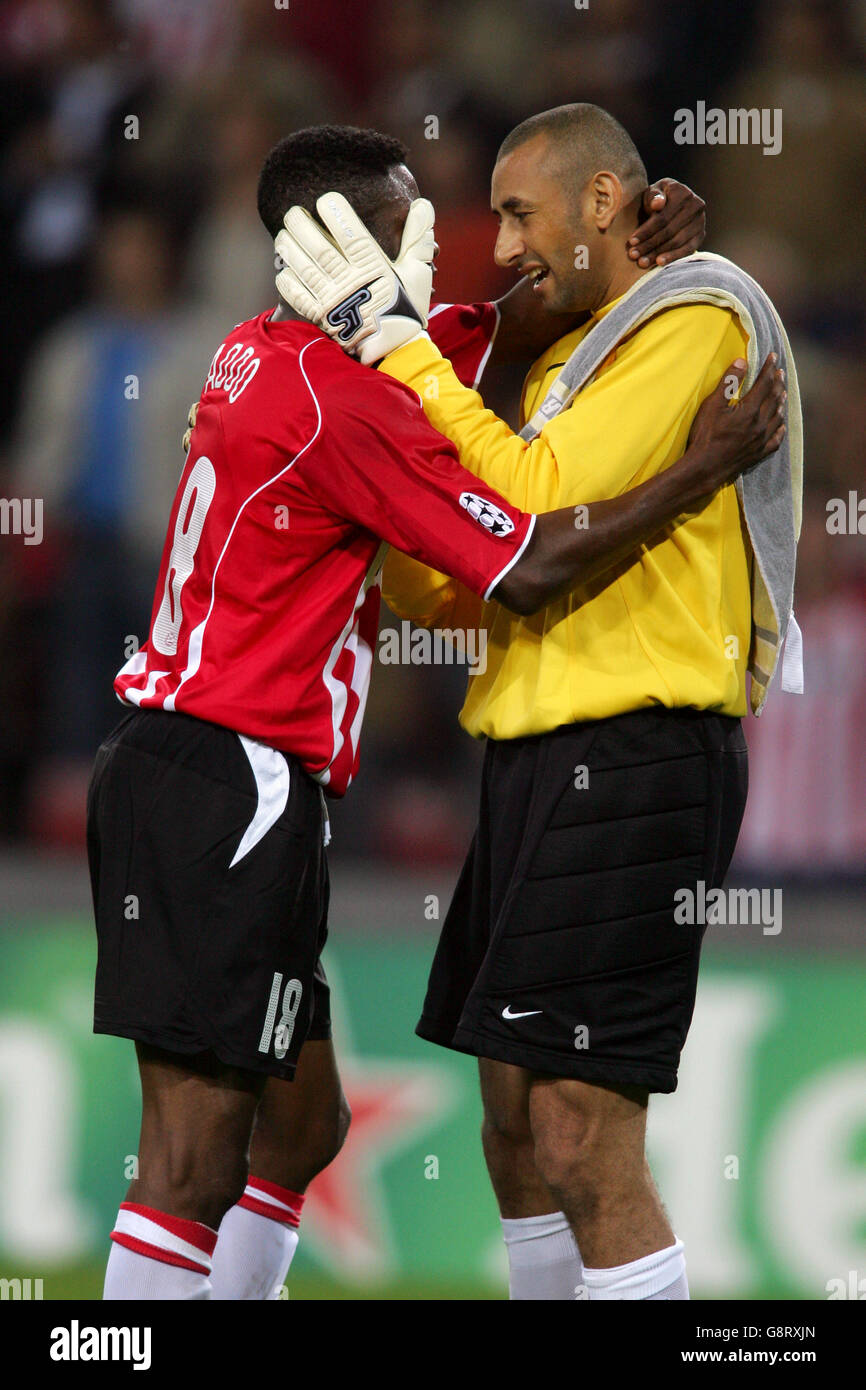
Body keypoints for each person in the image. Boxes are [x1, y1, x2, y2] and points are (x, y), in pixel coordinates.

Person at [88, 123, 784, 1301]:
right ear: (360, 244)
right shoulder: (346, 404)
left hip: (215, 775)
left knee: (302, 1129)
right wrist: (694, 467)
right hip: (231, 784)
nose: (465, 244)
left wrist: (636, 234)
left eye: (515, 217)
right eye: (424, 218)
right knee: (190, 1160)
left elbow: (476, 337)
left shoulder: (264, 355)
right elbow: (524, 553)